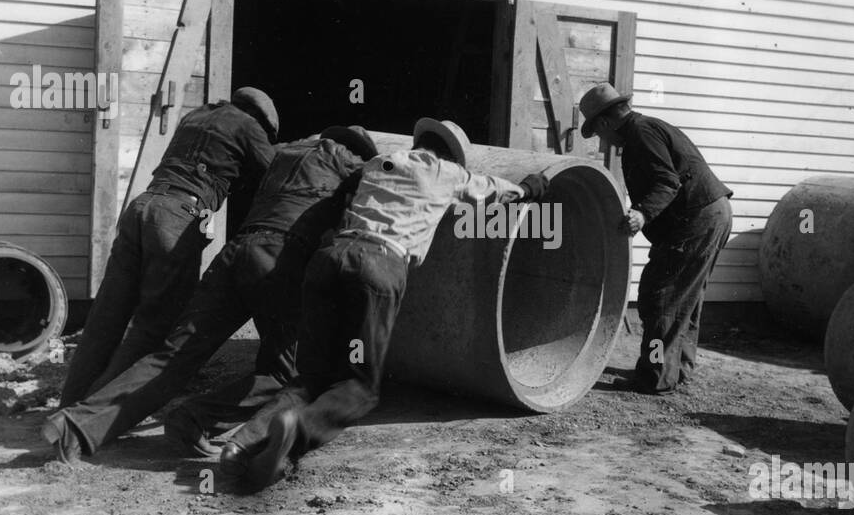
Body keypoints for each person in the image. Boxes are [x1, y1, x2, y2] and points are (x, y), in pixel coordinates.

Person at [223, 118, 550, 488]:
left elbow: (338, 198)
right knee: (359, 386)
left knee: (311, 377)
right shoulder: (448, 173)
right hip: (376, 269)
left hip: (329, 261)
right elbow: (498, 194)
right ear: (450, 154)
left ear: (418, 143)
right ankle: (297, 430)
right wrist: (530, 187)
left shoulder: (380, 163)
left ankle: (241, 445)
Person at [42, 126, 376, 464]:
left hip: (235, 253)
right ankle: (195, 418)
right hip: (280, 258)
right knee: (285, 374)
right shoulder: (347, 161)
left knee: (173, 357)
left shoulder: (282, 155)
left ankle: (75, 425)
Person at [58, 88, 278, 408]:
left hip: (142, 207)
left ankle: (69, 403)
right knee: (153, 327)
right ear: (261, 120)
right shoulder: (248, 126)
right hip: (177, 216)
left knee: (105, 318)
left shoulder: (196, 116)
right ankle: (85, 417)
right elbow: (276, 171)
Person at [578, 82, 733, 395]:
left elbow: (666, 182)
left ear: (606, 123)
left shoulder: (640, 134)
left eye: (598, 132)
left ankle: (655, 374)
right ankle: (676, 369)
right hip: (709, 213)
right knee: (684, 297)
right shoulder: (646, 128)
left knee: (660, 295)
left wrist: (642, 214)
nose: (602, 141)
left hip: (697, 218)